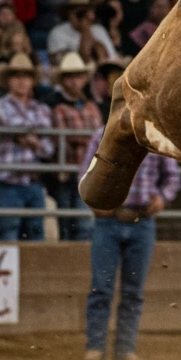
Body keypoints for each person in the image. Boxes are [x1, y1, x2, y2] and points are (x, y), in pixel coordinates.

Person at [80, 126, 181, 360]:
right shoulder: (103, 135)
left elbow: (172, 177)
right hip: (112, 220)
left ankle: (122, 347)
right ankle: (98, 345)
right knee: (102, 287)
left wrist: (163, 197)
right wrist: (93, 199)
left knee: (131, 290)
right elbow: (86, 172)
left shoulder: (155, 136)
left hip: (139, 221)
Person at [0, 53, 54, 241]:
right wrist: (35, 136)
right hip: (6, 181)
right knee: (8, 234)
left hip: (32, 182)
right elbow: (12, 125)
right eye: (16, 76)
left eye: (26, 76)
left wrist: (26, 137)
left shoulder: (41, 108)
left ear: (32, 81)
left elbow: (49, 148)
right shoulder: (0, 105)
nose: (21, 81)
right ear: (8, 81)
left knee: (36, 234)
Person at [47, 52, 103, 241]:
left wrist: (84, 139)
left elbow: (98, 136)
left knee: (84, 223)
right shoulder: (56, 105)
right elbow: (62, 136)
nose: (74, 81)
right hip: (65, 173)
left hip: (85, 172)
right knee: (65, 223)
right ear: (62, 80)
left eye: (78, 76)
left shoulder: (90, 106)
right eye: (69, 77)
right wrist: (88, 139)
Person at [46, 0, 117, 65]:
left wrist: (87, 29)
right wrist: (84, 30)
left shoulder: (99, 30)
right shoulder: (57, 32)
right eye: (78, 11)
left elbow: (111, 57)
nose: (83, 16)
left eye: (86, 10)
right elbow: (67, 63)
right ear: (69, 13)